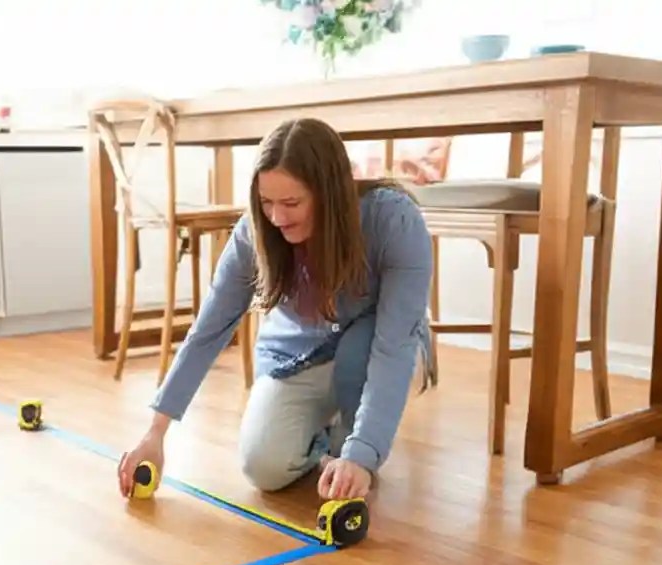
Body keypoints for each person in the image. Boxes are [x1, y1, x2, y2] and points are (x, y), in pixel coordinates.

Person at [116, 117, 434, 501]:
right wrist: (156, 432)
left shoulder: (394, 220)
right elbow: (208, 330)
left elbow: (393, 345)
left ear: (329, 193)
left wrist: (361, 456)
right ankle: (326, 433)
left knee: (356, 358)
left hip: (376, 349)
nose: (277, 217)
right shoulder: (255, 232)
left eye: (291, 202)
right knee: (263, 466)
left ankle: (352, 439)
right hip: (297, 357)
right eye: (267, 203)